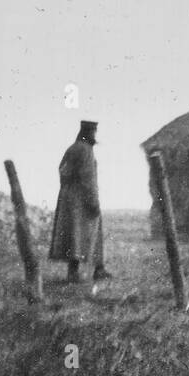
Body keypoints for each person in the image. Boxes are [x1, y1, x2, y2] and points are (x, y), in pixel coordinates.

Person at [49, 120, 110, 283]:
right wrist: (93, 202)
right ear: (88, 133)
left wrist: (67, 189)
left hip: (68, 197)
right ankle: (93, 270)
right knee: (86, 232)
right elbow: (88, 178)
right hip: (81, 198)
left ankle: (89, 269)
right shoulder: (86, 150)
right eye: (93, 132)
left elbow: (62, 170)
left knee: (73, 234)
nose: (95, 136)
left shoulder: (72, 148)